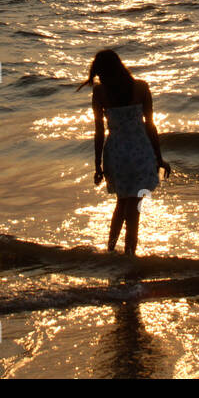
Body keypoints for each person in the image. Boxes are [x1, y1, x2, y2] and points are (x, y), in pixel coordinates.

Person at [77, 49, 170, 256]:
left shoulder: (100, 93)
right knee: (135, 206)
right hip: (140, 152)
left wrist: (97, 164)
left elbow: (99, 131)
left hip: (116, 153)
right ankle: (129, 255)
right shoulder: (141, 87)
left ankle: (111, 250)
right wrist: (159, 158)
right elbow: (151, 125)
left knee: (121, 203)